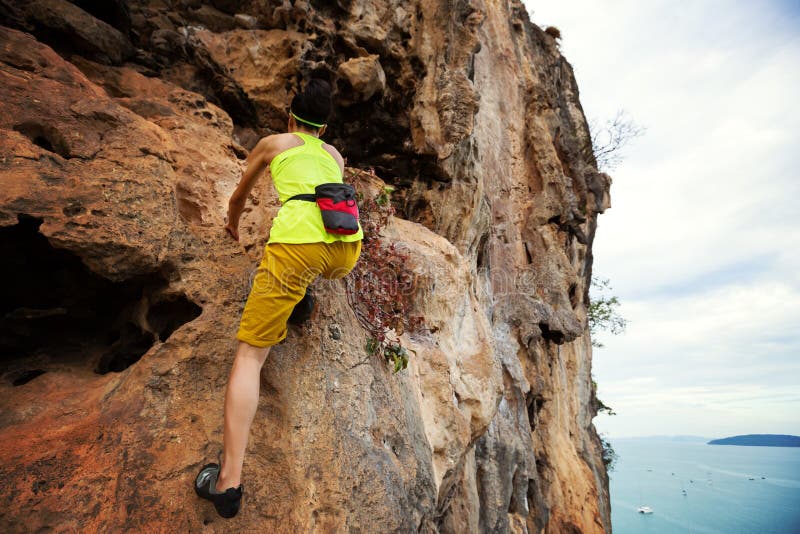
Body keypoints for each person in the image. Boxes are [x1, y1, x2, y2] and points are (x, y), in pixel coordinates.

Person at [194, 79, 363, 518]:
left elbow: (240, 194)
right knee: (303, 267)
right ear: (323, 129)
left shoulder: (274, 143)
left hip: (298, 247)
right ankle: (301, 297)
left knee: (250, 357)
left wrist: (232, 224)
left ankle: (227, 483)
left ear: (291, 116)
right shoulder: (334, 156)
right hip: (346, 249)